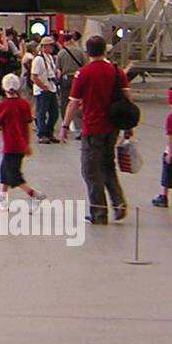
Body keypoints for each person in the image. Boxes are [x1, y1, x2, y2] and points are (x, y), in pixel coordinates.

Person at [60, 35, 133, 225]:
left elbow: (74, 103)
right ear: (104, 50)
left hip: (93, 127)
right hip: (113, 126)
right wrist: (128, 127)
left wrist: (65, 125)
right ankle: (119, 202)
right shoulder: (117, 71)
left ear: (87, 51)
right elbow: (127, 98)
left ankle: (99, 213)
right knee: (108, 165)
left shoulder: (84, 73)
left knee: (90, 170)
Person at [0, 74, 47, 209]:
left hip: (10, 145)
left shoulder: (4, 106)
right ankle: (2, 201)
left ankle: (33, 194)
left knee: (12, 175)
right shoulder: (24, 105)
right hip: (21, 145)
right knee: (5, 171)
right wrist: (28, 144)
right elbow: (29, 125)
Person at [30, 36, 61, 142]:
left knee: (54, 113)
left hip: (51, 88)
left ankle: (49, 131)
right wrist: (42, 86)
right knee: (41, 112)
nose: (52, 48)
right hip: (43, 89)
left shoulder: (50, 58)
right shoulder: (38, 60)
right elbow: (33, 76)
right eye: (50, 45)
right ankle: (41, 133)